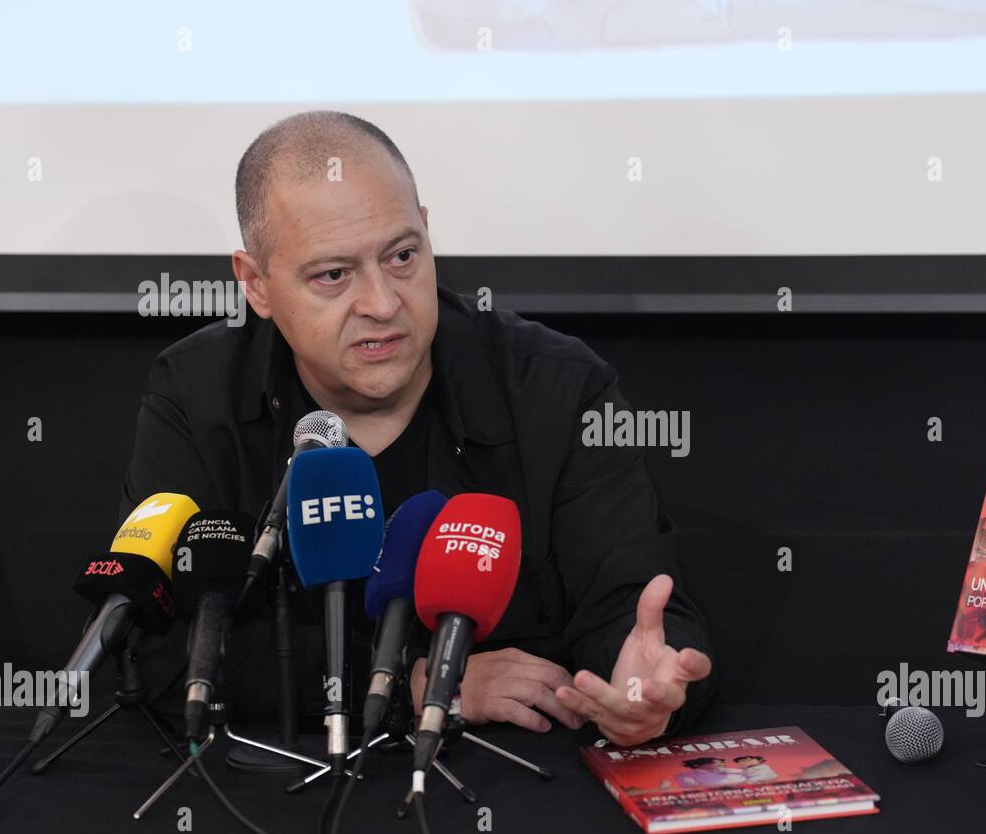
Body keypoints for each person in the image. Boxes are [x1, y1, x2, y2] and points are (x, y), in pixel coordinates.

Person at [120, 111, 715, 747]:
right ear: (257, 285)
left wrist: (643, 690)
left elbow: (637, 606)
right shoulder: (196, 395)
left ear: (427, 232)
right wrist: (411, 682)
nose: (382, 302)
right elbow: (158, 653)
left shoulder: (557, 388)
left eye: (403, 255)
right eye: (333, 275)